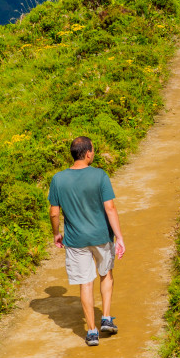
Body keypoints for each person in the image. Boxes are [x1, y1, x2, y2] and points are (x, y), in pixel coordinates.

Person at [48, 136, 126, 346]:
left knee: (85, 283)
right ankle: (106, 318)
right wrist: (119, 236)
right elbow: (110, 208)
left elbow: (54, 213)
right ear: (88, 153)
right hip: (101, 236)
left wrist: (57, 233)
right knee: (106, 273)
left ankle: (92, 332)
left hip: (75, 240)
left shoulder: (58, 179)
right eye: (93, 150)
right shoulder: (100, 175)